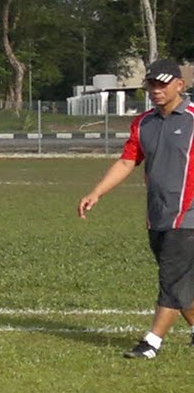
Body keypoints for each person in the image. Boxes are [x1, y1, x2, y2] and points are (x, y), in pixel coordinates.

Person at [78, 58, 194, 358]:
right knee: (180, 282)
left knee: (171, 278)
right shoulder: (143, 123)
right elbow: (128, 161)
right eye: (151, 84)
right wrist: (96, 193)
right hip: (157, 213)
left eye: (162, 83)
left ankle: (151, 342)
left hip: (189, 215)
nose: (156, 90)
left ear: (180, 85)